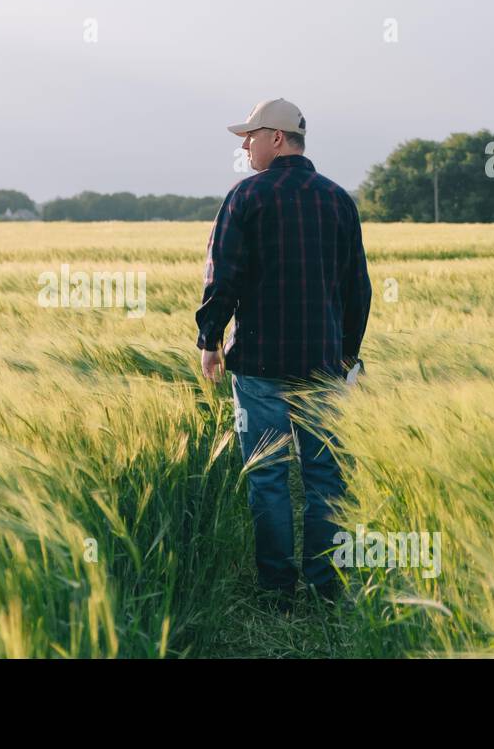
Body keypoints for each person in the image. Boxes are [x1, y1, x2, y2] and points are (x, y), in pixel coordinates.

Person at [195, 98, 371, 612]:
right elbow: (356, 287)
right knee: (325, 479)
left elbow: (222, 277)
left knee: (268, 475)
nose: (245, 145)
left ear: (277, 137)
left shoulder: (245, 196)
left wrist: (209, 340)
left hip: (259, 365)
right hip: (323, 365)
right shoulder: (338, 200)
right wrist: (347, 355)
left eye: (250, 136)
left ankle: (276, 591)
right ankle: (324, 587)